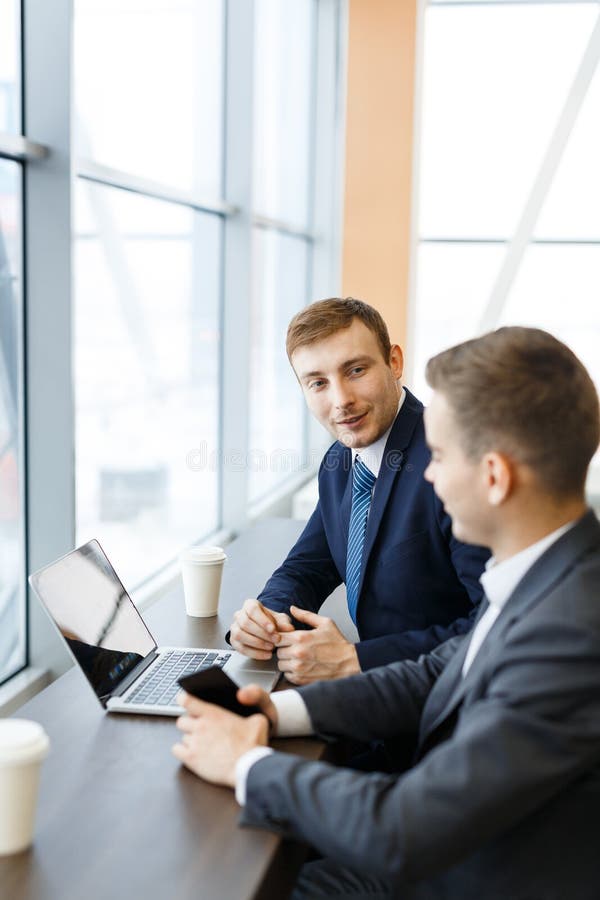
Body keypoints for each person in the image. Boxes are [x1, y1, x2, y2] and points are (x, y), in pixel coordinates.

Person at [174, 326, 600, 899]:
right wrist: (275, 713)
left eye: (441, 455)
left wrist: (248, 764)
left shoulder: (571, 632)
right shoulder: (547, 577)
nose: (427, 472)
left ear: (494, 477)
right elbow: (435, 671)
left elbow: (404, 829)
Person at [229, 298, 489, 684]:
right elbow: (309, 566)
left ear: (394, 363)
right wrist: (267, 615)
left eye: (355, 370)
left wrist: (357, 659)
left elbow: (493, 627)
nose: (341, 400)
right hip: (376, 698)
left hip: (441, 706)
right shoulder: (341, 461)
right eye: (318, 382)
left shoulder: (449, 463)